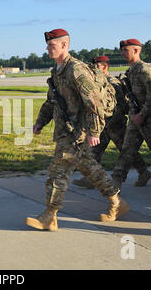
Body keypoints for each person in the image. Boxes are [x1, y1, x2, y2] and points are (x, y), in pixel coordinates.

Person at [25, 29, 129, 232]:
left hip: (77, 132)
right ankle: (117, 203)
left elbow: (94, 103)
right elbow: (51, 101)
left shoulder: (76, 70)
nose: (47, 48)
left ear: (64, 45)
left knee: (58, 170)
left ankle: (50, 215)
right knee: (90, 167)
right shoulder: (57, 71)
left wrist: (94, 131)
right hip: (66, 129)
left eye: (51, 45)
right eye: (47, 45)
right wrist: (40, 122)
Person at [73, 55, 151, 189]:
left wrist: (112, 121)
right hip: (103, 124)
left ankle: (143, 172)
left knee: (126, 150)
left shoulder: (113, 83)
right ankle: (91, 178)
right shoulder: (97, 83)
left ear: (104, 66)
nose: (94, 69)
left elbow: (120, 105)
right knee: (95, 150)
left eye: (97, 66)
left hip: (115, 123)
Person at [110, 39, 151, 190]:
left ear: (136, 51)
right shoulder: (131, 71)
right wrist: (136, 115)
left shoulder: (145, 70)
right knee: (127, 148)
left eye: (126, 50)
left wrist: (143, 114)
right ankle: (115, 183)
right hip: (136, 115)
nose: (123, 53)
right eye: (122, 50)